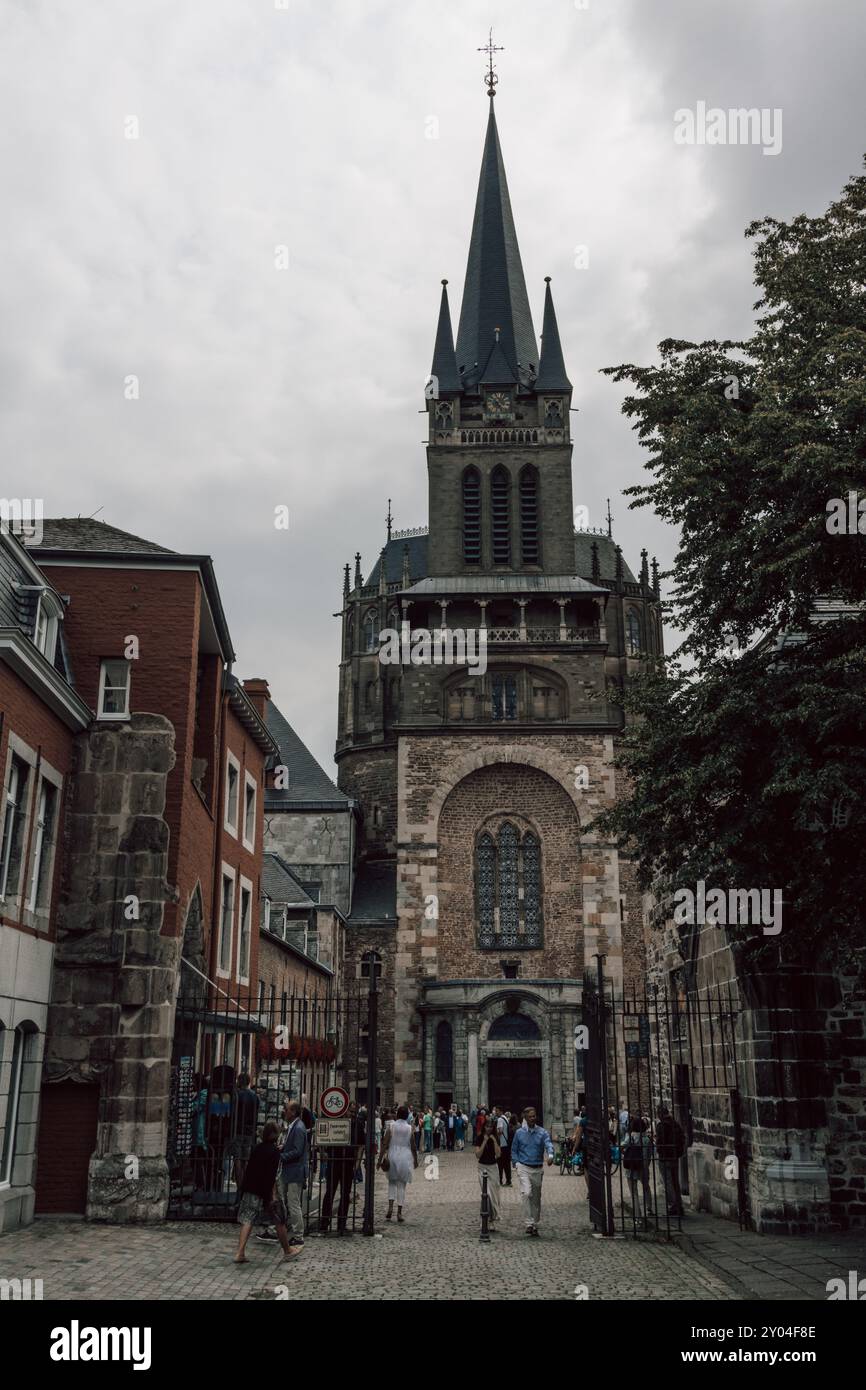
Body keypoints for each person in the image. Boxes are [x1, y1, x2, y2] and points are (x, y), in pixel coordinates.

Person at [234, 1122, 298, 1263]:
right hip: (266, 1190)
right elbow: (273, 1175)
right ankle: (287, 1251)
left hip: (252, 1188)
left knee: (248, 1219)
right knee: (278, 1220)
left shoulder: (257, 1148)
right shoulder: (274, 1152)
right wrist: (273, 1195)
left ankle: (240, 1252)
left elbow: (250, 1168)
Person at [319, 1101, 365, 1235]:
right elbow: (322, 1137)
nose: (352, 1115)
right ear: (344, 1110)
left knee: (345, 1194)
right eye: (350, 1112)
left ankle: (341, 1224)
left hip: (349, 1162)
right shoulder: (335, 1122)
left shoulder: (358, 1124)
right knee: (330, 1193)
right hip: (334, 1161)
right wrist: (323, 1152)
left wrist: (357, 1163)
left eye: (354, 1113)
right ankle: (324, 1223)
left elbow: (361, 1145)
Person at [511, 1106, 554, 1236]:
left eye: (534, 1116)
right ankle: (529, 1223)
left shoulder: (542, 1132)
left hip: (537, 1168)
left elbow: (548, 1144)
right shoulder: (519, 1133)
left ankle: (534, 1223)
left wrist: (551, 1156)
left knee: (536, 1198)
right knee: (526, 1193)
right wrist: (516, 1163)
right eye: (530, 1116)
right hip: (523, 1167)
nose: (532, 1118)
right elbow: (514, 1150)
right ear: (525, 1118)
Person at [277, 1099, 309, 1250]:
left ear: (294, 1112)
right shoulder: (294, 1126)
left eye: (287, 1109)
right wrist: (283, 1147)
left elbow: (298, 1150)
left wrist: (281, 1156)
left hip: (295, 1171)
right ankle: (278, 1229)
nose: (285, 1111)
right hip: (289, 1170)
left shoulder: (298, 1128)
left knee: (293, 1203)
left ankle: (298, 1236)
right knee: (283, 1201)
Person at [378, 1102, 417, 1222]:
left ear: (397, 1115)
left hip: (393, 1155)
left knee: (392, 1183)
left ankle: (390, 1207)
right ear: (406, 1116)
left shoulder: (391, 1127)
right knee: (402, 1185)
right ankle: (399, 1212)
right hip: (405, 1156)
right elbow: (413, 1146)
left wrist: (379, 1160)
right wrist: (415, 1159)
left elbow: (384, 1143)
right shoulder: (410, 1128)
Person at [228, 1073, 259, 1188]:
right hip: (249, 1132)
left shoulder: (237, 1095)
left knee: (237, 1159)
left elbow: (233, 1113)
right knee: (245, 1159)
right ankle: (246, 1185)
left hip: (238, 1130)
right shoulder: (255, 1096)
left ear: (240, 1082)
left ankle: (240, 1186)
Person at [655, 1106, 686, 1216]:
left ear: (659, 1114)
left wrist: (659, 1149)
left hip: (665, 1156)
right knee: (675, 1182)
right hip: (674, 1156)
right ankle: (679, 1204)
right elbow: (682, 1137)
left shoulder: (661, 1125)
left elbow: (660, 1141)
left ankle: (673, 1206)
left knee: (668, 1182)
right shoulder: (675, 1123)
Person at [623, 1113, 653, 1219]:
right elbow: (650, 1155)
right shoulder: (647, 1139)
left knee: (634, 1192)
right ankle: (649, 1208)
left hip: (632, 1167)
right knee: (646, 1187)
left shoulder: (631, 1138)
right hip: (644, 1166)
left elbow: (622, 1146)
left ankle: (638, 1216)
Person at [475, 1117, 501, 1227]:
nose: (489, 1129)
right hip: (482, 1167)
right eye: (487, 1126)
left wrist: (494, 1140)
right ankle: (484, 1218)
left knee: (494, 1195)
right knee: (486, 1194)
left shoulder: (495, 1137)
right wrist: (485, 1141)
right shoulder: (480, 1138)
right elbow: (478, 1155)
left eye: (491, 1127)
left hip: (493, 1168)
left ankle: (492, 1219)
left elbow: (498, 1154)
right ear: (484, 1127)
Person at [494, 1107, 511, 1186]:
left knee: (500, 1164)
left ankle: (500, 1180)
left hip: (502, 1144)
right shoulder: (505, 1118)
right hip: (506, 1144)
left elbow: (500, 1131)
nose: (495, 1112)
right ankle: (508, 1180)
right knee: (507, 1164)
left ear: (500, 1111)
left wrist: (495, 1134)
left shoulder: (500, 1119)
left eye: (496, 1111)